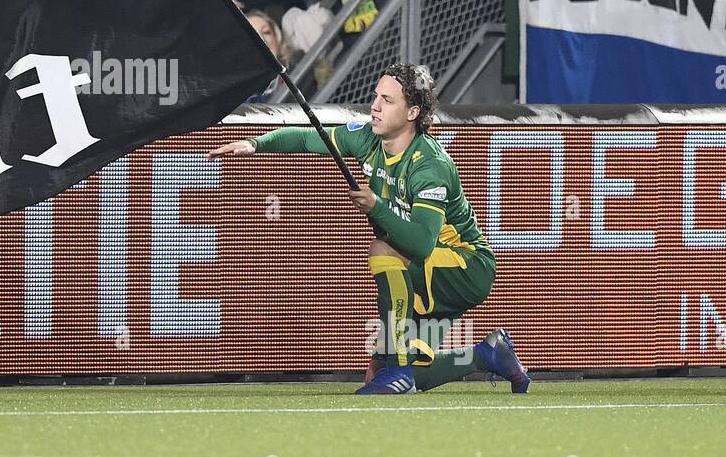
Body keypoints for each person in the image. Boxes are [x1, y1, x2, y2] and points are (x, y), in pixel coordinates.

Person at [207, 63, 531, 395]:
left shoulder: (429, 165)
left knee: (382, 250)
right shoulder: (366, 137)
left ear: (412, 112)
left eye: (387, 100)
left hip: (466, 267)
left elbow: (420, 244)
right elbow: (308, 138)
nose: (374, 106)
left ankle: (401, 369)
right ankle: (489, 355)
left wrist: (376, 206)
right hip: (428, 272)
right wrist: (255, 144)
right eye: (376, 96)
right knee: (381, 371)